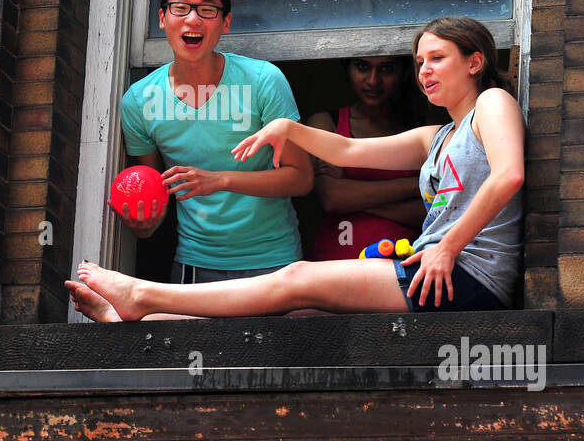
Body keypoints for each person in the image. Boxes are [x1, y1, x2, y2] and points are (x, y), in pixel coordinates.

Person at [69, 16, 523, 320]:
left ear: (475, 61)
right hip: (433, 272)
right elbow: (346, 152)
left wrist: (447, 249)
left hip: (468, 275)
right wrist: (288, 126)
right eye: (420, 61)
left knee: (295, 278)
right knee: (302, 313)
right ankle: (152, 317)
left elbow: (508, 175)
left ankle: (142, 296)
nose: (424, 70)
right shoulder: (437, 135)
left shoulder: (492, 103)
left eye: (437, 58)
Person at [116, 0, 313, 284]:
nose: (192, 19)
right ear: (162, 17)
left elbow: (301, 178)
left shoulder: (264, 80)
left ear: (226, 23)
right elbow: (157, 192)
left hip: (275, 259)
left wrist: (220, 180)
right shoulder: (138, 101)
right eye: (180, 8)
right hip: (195, 262)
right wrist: (145, 222)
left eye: (207, 10)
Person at [307, 55, 425, 261]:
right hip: (338, 261)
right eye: (362, 67)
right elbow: (331, 198)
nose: (373, 80)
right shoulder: (327, 124)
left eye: (387, 69)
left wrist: (353, 197)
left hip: (403, 264)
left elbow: (429, 213)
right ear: (347, 69)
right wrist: (415, 185)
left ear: (404, 72)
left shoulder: (425, 131)